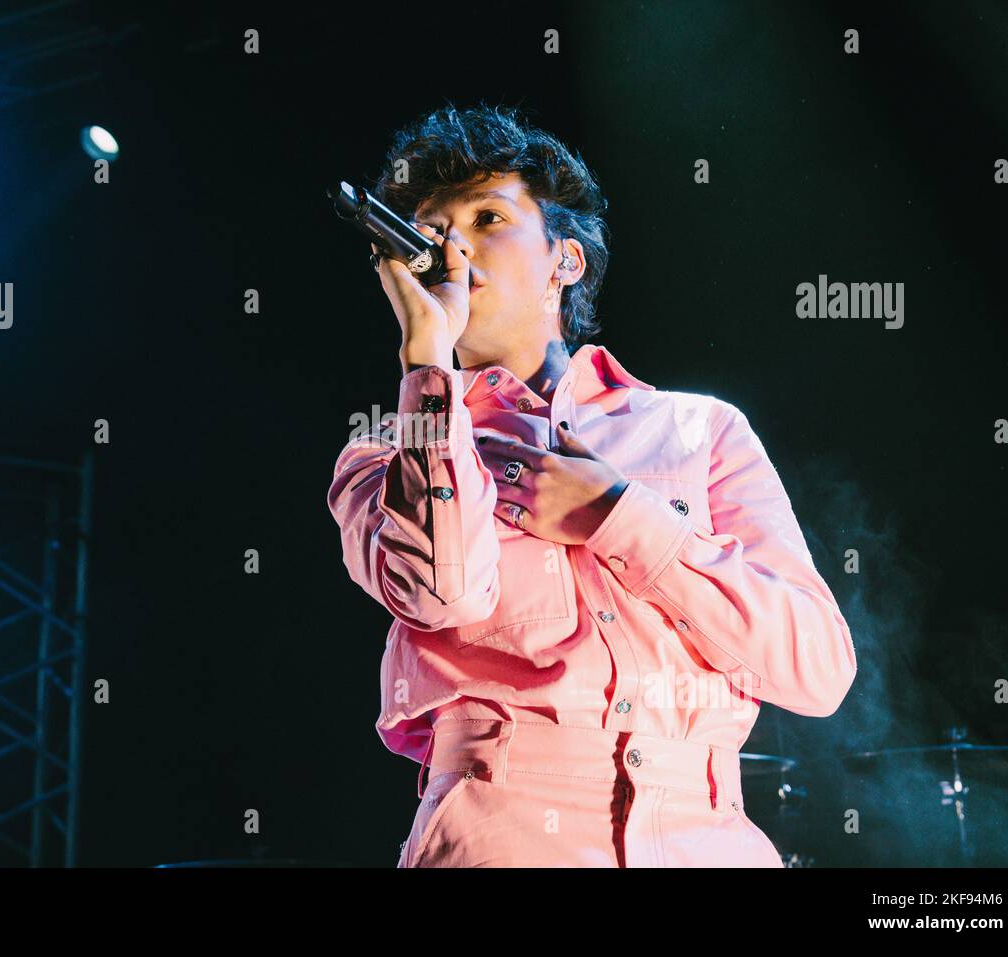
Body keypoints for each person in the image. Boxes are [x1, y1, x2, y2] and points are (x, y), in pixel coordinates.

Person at [327, 103, 857, 867]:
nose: (453, 246)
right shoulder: (386, 449)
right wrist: (427, 361)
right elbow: (439, 592)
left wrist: (618, 514)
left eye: (486, 217)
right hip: (500, 830)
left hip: (709, 836)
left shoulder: (699, 428)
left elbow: (817, 669)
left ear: (564, 260)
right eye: (434, 227)